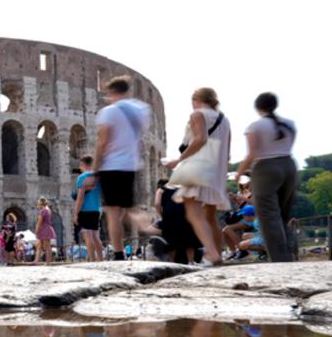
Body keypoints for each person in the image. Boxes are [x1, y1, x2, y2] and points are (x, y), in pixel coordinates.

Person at [165, 88, 231, 266]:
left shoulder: (197, 114)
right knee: (210, 216)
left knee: (193, 211)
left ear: (195, 100)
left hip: (199, 164)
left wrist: (179, 159)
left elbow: (200, 139)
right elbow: (227, 153)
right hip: (217, 168)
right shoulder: (224, 120)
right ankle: (218, 256)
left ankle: (211, 254)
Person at [93, 75, 156, 260]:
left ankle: (119, 253)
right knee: (129, 209)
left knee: (113, 212)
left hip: (111, 165)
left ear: (112, 92)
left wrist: (96, 167)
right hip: (131, 165)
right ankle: (151, 228)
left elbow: (103, 142)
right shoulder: (142, 110)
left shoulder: (109, 112)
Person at [235, 92, 298, 263]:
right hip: (289, 165)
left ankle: (279, 260)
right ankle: (288, 255)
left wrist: (239, 172)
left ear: (258, 107)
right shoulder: (290, 124)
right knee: (283, 215)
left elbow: (253, 153)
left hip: (266, 168)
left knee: (269, 217)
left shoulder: (255, 126)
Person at [73, 156, 104, 262]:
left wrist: (76, 213)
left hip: (85, 209)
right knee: (96, 236)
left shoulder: (82, 177)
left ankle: (92, 259)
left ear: (83, 164)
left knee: (87, 235)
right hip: (97, 209)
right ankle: (101, 259)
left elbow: (80, 198)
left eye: (80, 165)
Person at [32, 197, 56, 265]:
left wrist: (36, 230)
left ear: (40, 203)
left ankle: (48, 262)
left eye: (38, 202)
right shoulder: (48, 209)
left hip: (44, 229)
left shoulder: (43, 210)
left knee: (47, 246)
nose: (37, 203)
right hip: (47, 228)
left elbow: (39, 221)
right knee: (39, 246)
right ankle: (36, 261)